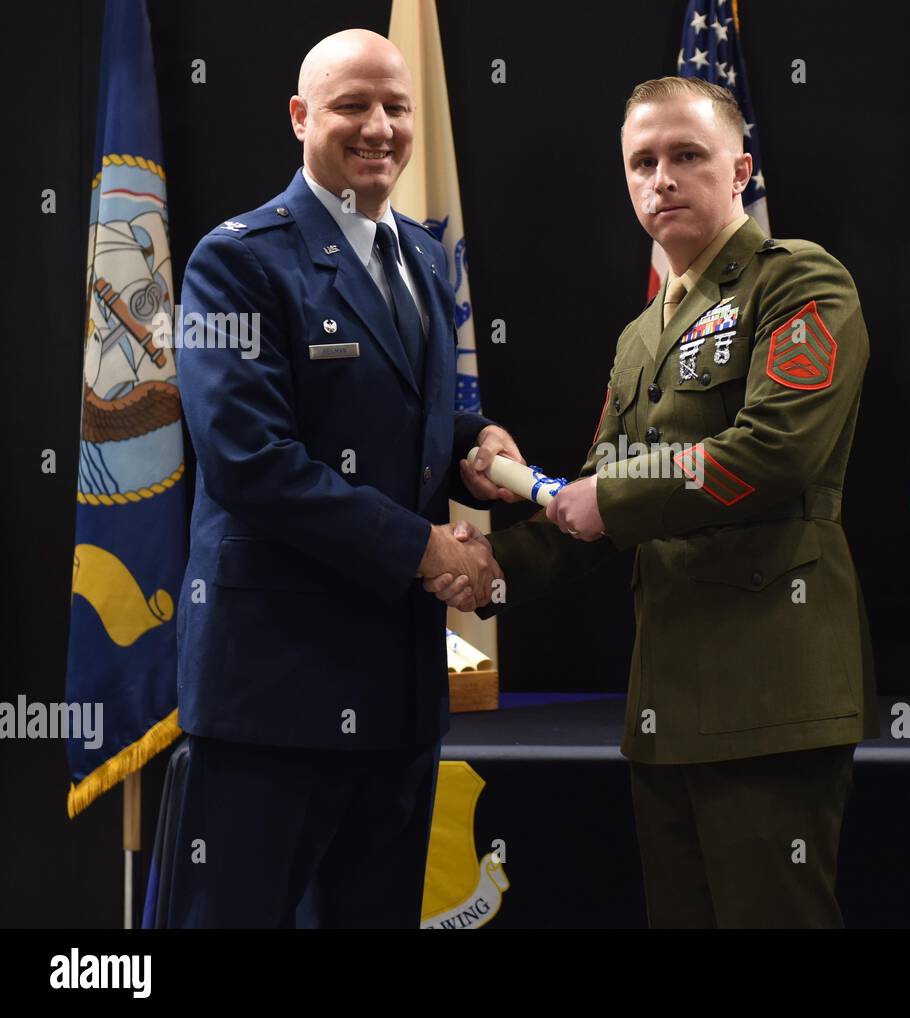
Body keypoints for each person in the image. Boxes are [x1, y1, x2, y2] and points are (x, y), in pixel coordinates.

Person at [437, 76, 878, 928]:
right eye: (642, 162)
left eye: (686, 156)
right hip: (665, 704)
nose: (662, 178)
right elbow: (593, 509)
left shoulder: (799, 281)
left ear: (740, 169)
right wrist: (488, 568)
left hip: (771, 694)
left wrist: (609, 497)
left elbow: (778, 452)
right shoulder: (641, 335)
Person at [168, 28, 518, 928]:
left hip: (398, 692)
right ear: (300, 117)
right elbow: (250, 461)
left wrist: (474, 440)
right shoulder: (236, 260)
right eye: (351, 106)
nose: (380, 127)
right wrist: (425, 548)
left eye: (396, 107)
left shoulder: (425, 257)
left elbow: (393, 409)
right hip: (273, 693)